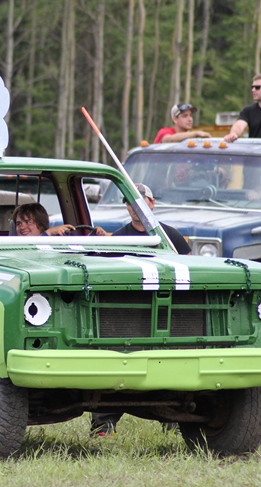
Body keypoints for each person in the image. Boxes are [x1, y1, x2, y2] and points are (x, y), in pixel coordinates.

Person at [91, 183, 191, 436]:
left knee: (173, 367)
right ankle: (103, 425)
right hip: (128, 317)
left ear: (152, 203)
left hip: (168, 316)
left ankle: (175, 421)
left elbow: (190, 270)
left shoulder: (172, 237)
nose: (134, 206)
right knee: (116, 368)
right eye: (129, 201)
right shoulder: (118, 239)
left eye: (140, 200)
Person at [12, 202, 105, 236]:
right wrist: (48, 232)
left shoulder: (56, 240)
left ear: (41, 224)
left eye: (28, 222)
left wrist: (95, 234)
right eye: (18, 224)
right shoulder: (16, 246)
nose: (22, 227)